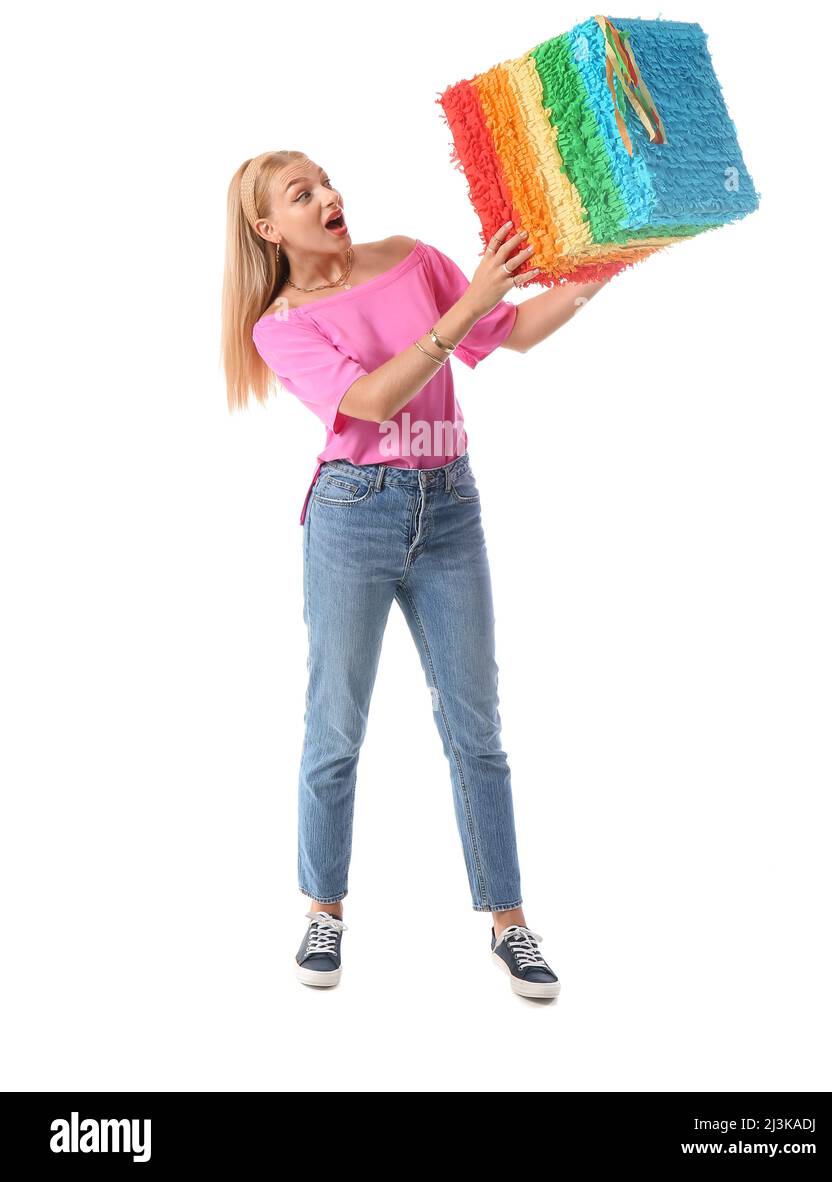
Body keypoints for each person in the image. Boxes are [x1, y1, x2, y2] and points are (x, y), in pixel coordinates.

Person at [221, 149, 609, 998]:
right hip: (353, 516)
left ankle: (510, 924)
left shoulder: (408, 257)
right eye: (303, 193)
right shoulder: (279, 325)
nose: (330, 195)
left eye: (327, 181)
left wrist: (603, 265)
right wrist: (471, 297)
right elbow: (370, 402)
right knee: (336, 727)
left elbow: (509, 333)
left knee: (477, 729)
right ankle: (324, 910)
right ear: (267, 228)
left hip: (451, 504)